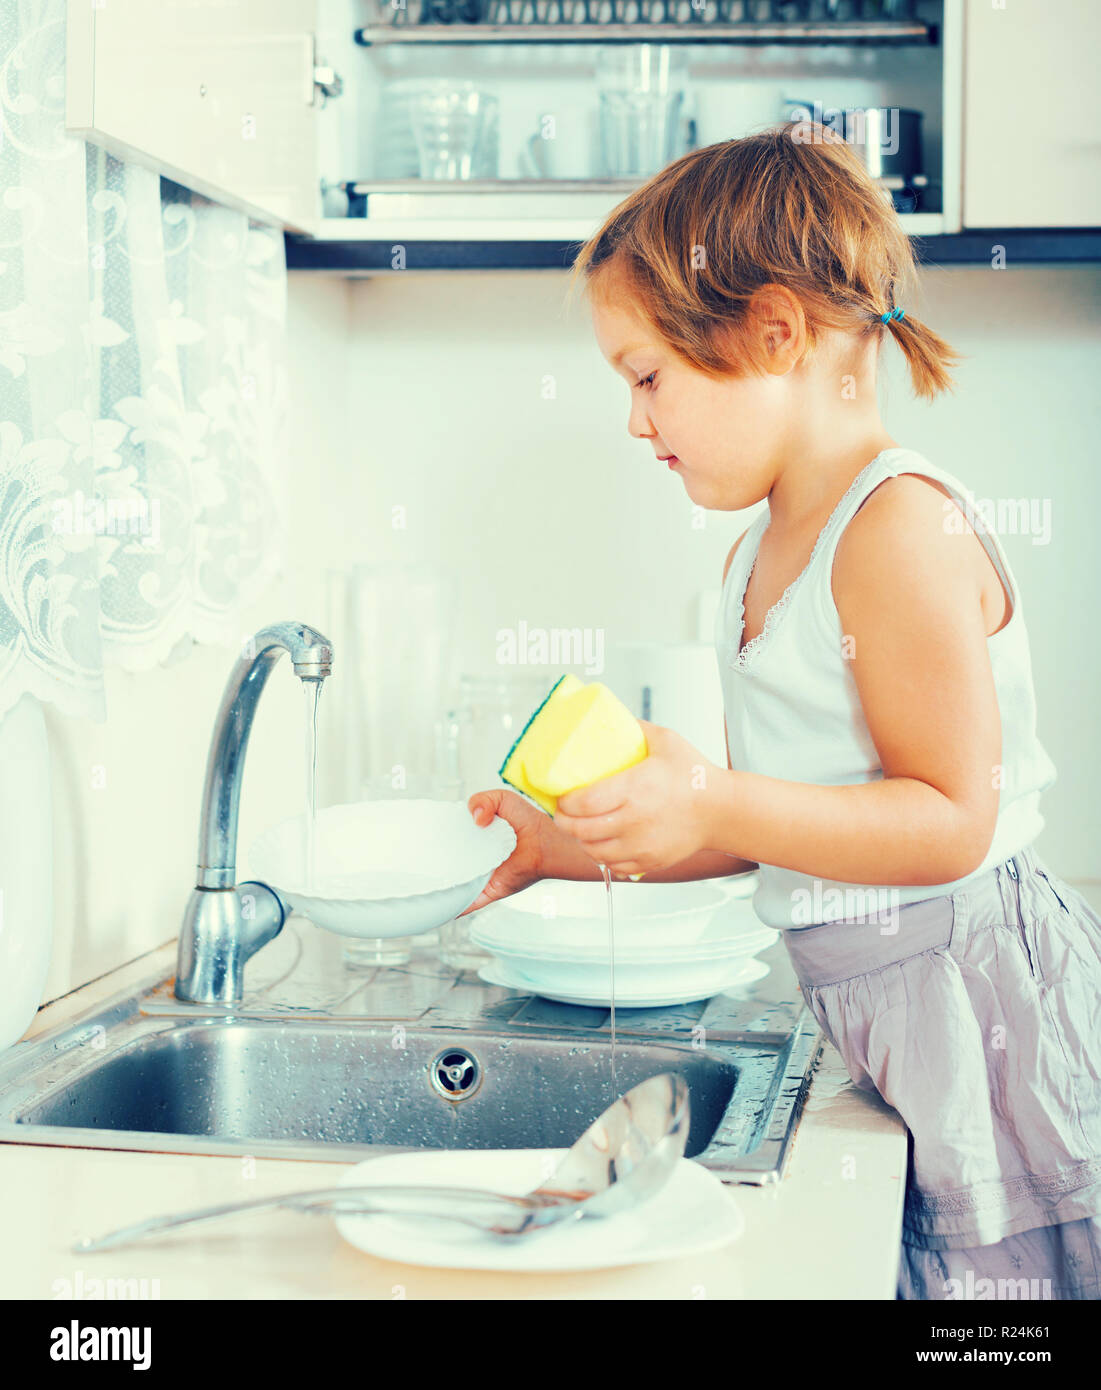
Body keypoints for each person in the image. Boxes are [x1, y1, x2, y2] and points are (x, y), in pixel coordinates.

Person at [461, 123, 1101, 1300]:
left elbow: (953, 817)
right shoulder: (756, 555)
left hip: (979, 1000)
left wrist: (705, 788)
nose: (636, 422)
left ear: (774, 330)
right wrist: (586, 847)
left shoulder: (896, 527)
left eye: (647, 376)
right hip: (890, 1008)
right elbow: (788, 818)